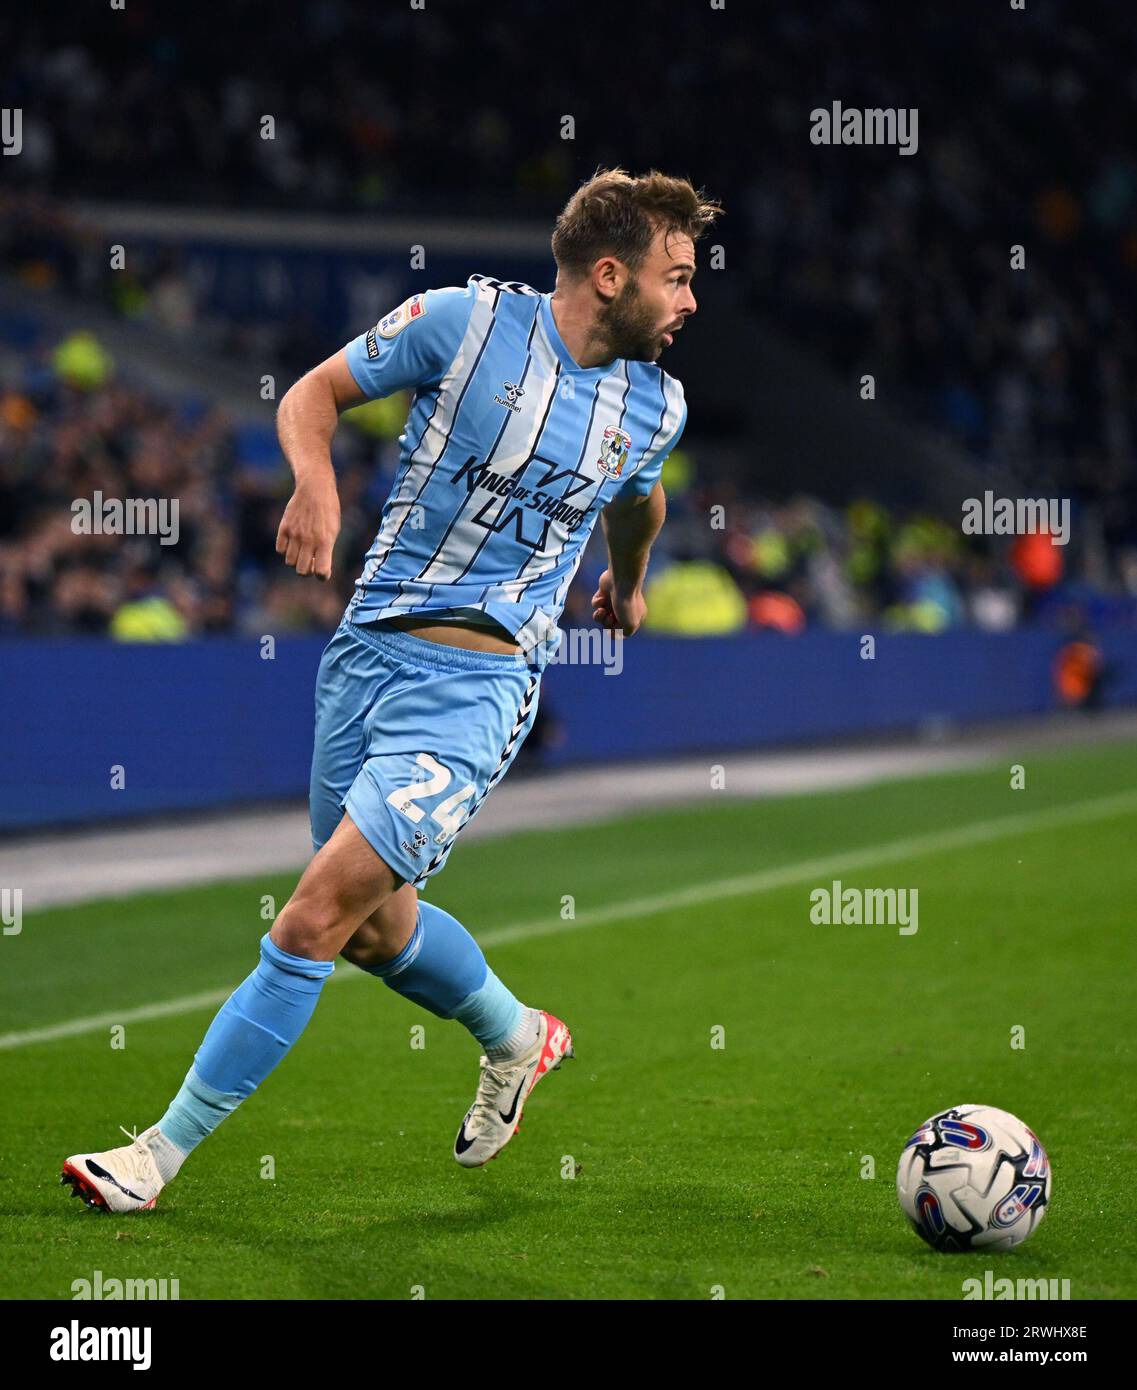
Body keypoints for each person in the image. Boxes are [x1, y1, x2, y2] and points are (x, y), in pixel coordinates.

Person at [61, 168, 720, 1211]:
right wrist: (315, 483)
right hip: (367, 656)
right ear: (609, 274)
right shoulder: (459, 324)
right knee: (375, 930)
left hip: (480, 688)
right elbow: (313, 394)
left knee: (314, 915)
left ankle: (154, 1156)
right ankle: (517, 1034)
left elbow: (639, 500)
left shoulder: (654, 404)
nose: (689, 301)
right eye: (675, 278)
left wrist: (626, 583)